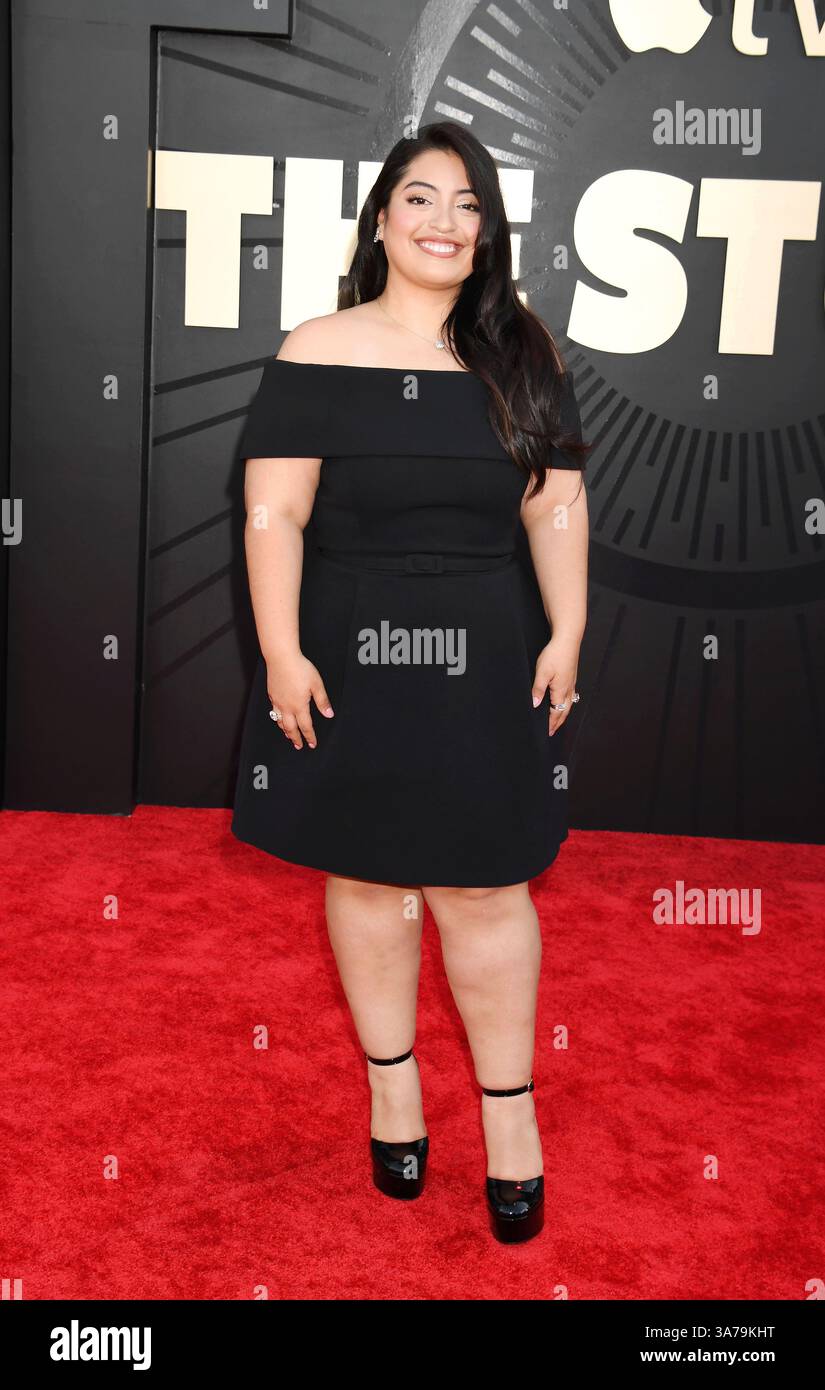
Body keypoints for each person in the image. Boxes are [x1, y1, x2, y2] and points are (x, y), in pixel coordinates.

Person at [231, 121, 590, 1243]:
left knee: (486, 887)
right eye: (421, 199)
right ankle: (393, 1088)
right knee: (372, 874)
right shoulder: (317, 347)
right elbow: (276, 512)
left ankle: (509, 1115)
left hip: (486, 647)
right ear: (382, 217)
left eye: (469, 205)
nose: (444, 222)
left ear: (489, 234)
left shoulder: (524, 352)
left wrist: (569, 626)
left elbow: (555, 506)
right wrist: (283, 650)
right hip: (348, 644)